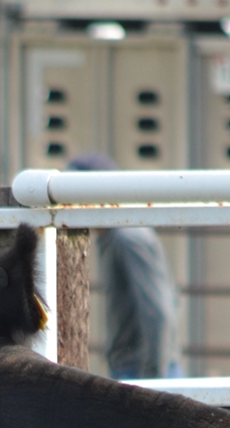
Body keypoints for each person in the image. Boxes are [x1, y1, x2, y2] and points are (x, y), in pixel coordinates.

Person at [66, 153, 180, 378]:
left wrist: (153, 381)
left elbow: (159, 312)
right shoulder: (114, 235)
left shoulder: (126, 238)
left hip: (142, 373)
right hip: (135, 369)